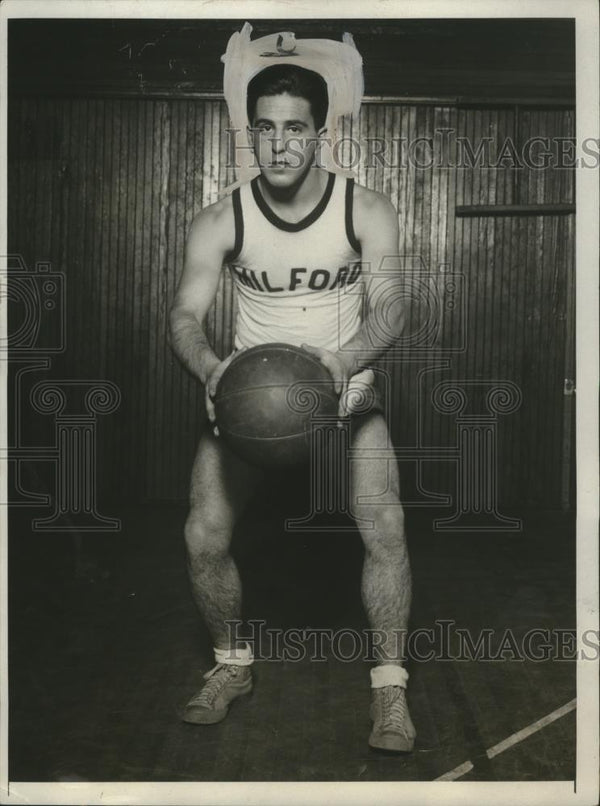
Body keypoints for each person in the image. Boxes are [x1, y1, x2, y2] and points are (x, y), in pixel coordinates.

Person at [169, 62, 415, 753]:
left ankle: (390, 687)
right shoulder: (221, 218)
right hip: (251, 404)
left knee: (387, 528)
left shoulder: (364, 209)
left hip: (344, 395)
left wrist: (343, 360)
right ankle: (231, 664)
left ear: (320, 133)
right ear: (250, 134)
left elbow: (393, 308)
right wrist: (211, 368)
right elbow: (184, 315)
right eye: (266, 129)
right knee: (203, 533)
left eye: (296, 129)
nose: (280, 145)